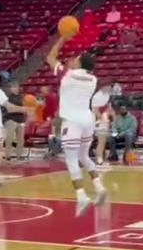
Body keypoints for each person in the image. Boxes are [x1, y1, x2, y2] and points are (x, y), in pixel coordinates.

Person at [44, 34, 109, 213]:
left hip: (72, 121)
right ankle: (99, 187)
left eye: (77, 59)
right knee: (84, 157)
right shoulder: (93, 79)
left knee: (71, 159)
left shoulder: (68, 74)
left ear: (79, 63)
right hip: (87, 120)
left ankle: (81, 196)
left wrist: (62, 38)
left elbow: (50, 57)